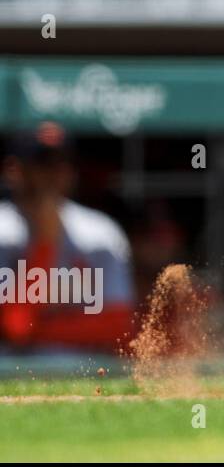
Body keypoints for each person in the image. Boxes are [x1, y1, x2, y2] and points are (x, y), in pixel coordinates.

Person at [0, 123, 135, 352]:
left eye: (64, 163)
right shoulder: (4, 231)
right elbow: (15, 327)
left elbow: (117, 325)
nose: (56, 173)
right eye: (43, 163)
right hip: (13, 374)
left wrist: (39, 331)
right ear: (14, 170)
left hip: (85, 374)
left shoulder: (101, 232)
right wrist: (45, 244)